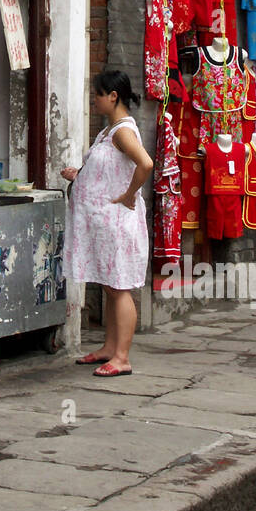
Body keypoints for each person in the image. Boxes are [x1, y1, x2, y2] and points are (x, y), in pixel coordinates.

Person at [62, 70, 152, 377]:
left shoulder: (122, 131)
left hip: (117, 224)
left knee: (119, 288)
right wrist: (82, 175)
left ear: (113, 97)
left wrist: (129, 194)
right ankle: (109, 348)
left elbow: (145, 163)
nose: (94, 99)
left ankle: (122, 357)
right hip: (104, 225)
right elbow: (110, 168)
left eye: (98, 94)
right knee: (110, 288)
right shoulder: (109, 131)